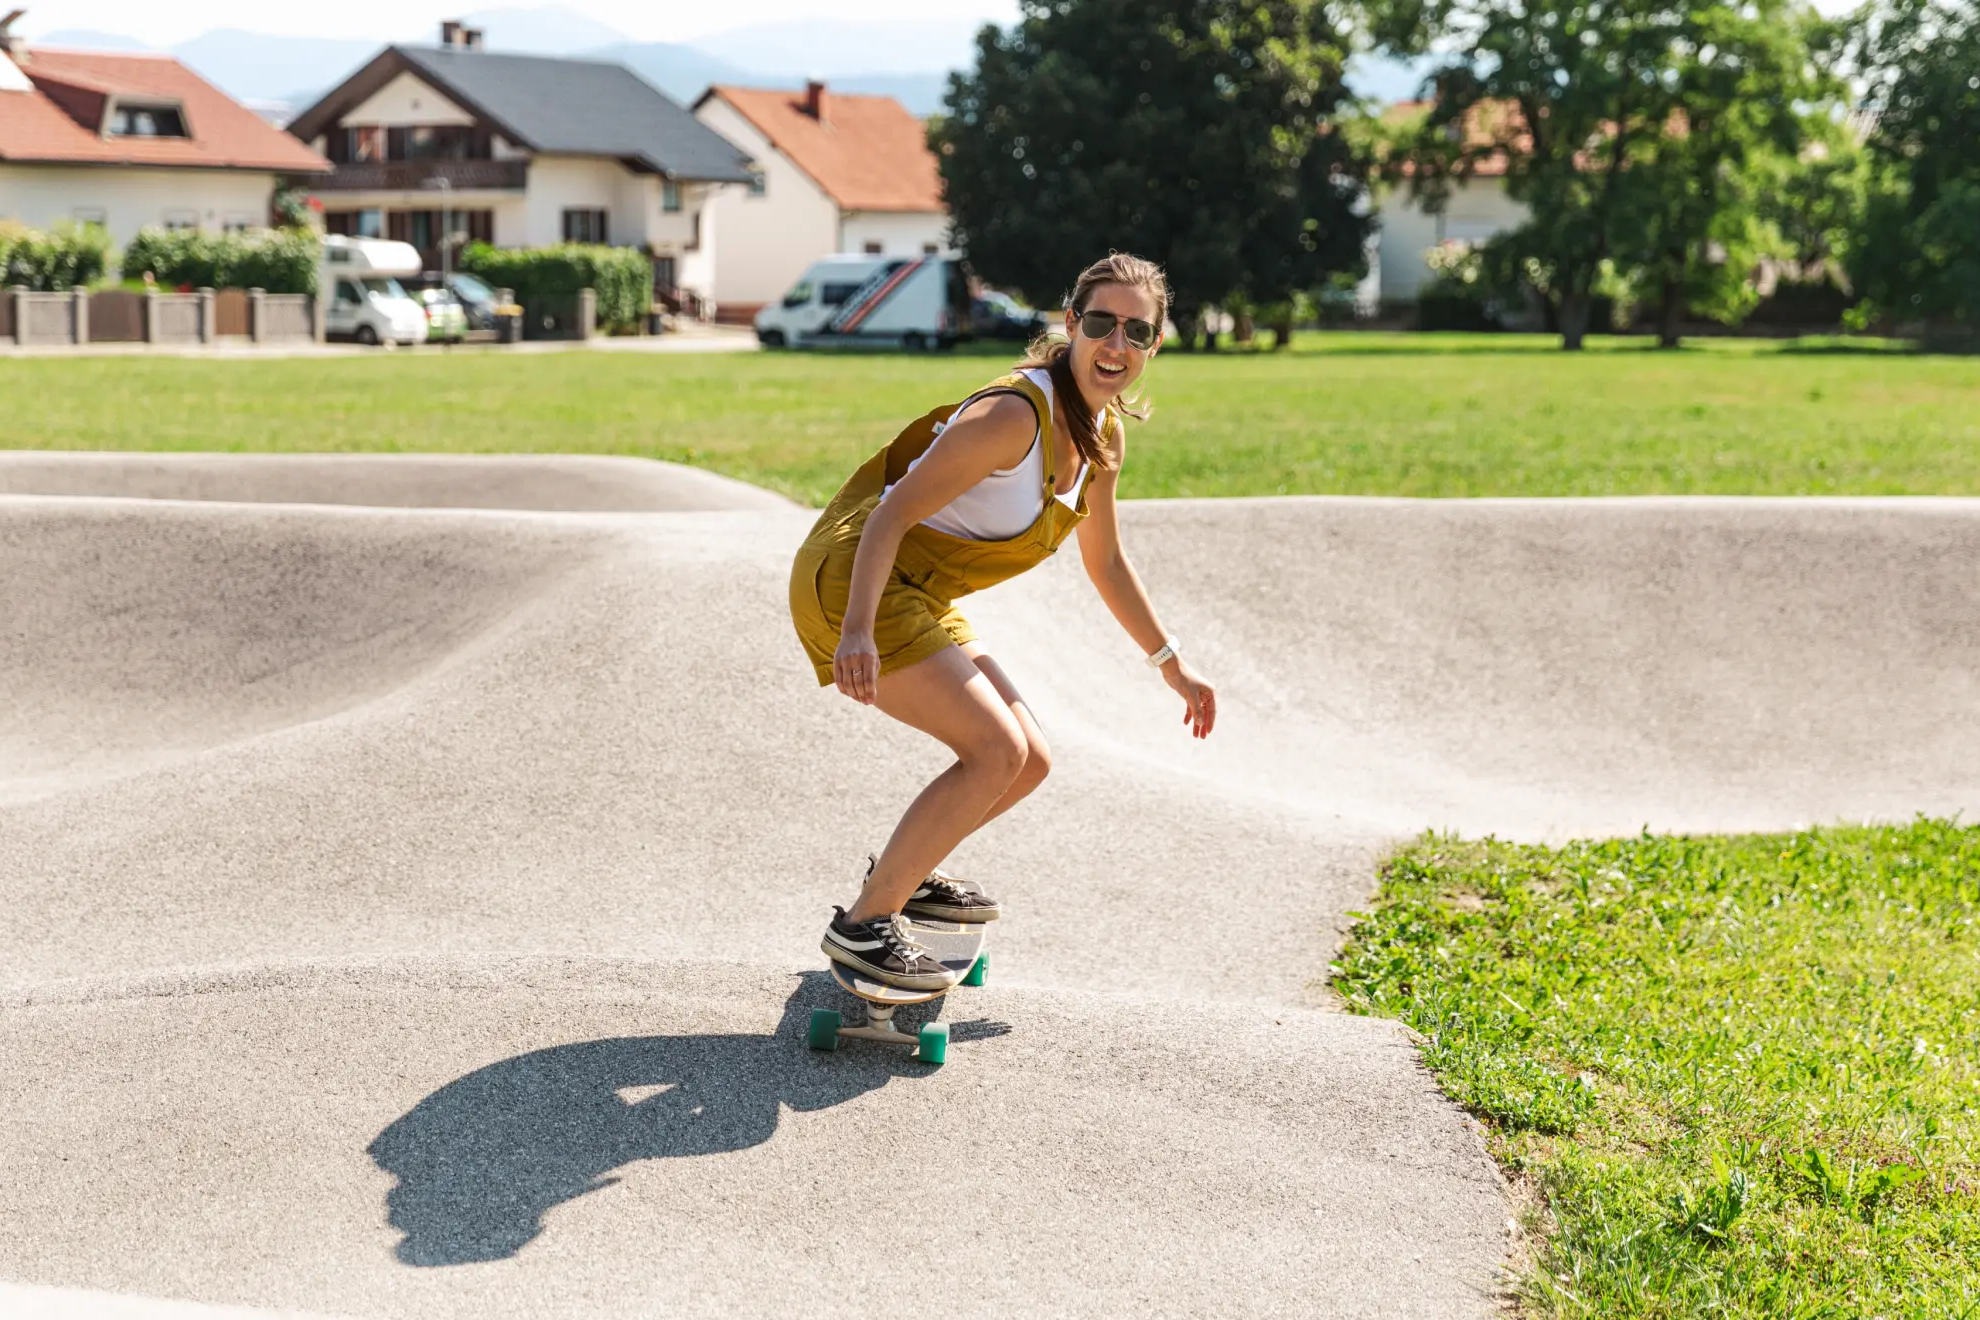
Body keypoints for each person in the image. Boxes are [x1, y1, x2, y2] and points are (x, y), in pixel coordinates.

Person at [788, 252, 1218, 990]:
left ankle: (905, 876)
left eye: (1138, 331)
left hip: (917, 592)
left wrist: (1171, 663)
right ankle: (864, 927)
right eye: (1101, 323)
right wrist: (855, 630)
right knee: (994, 750)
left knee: (1030, 759)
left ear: (1157, 342)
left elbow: (1107, 562)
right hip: (856, 577)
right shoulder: (1011, 417)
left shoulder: (1103, 437)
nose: (1116, 345)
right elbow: (889, 514)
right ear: (1070, 323)